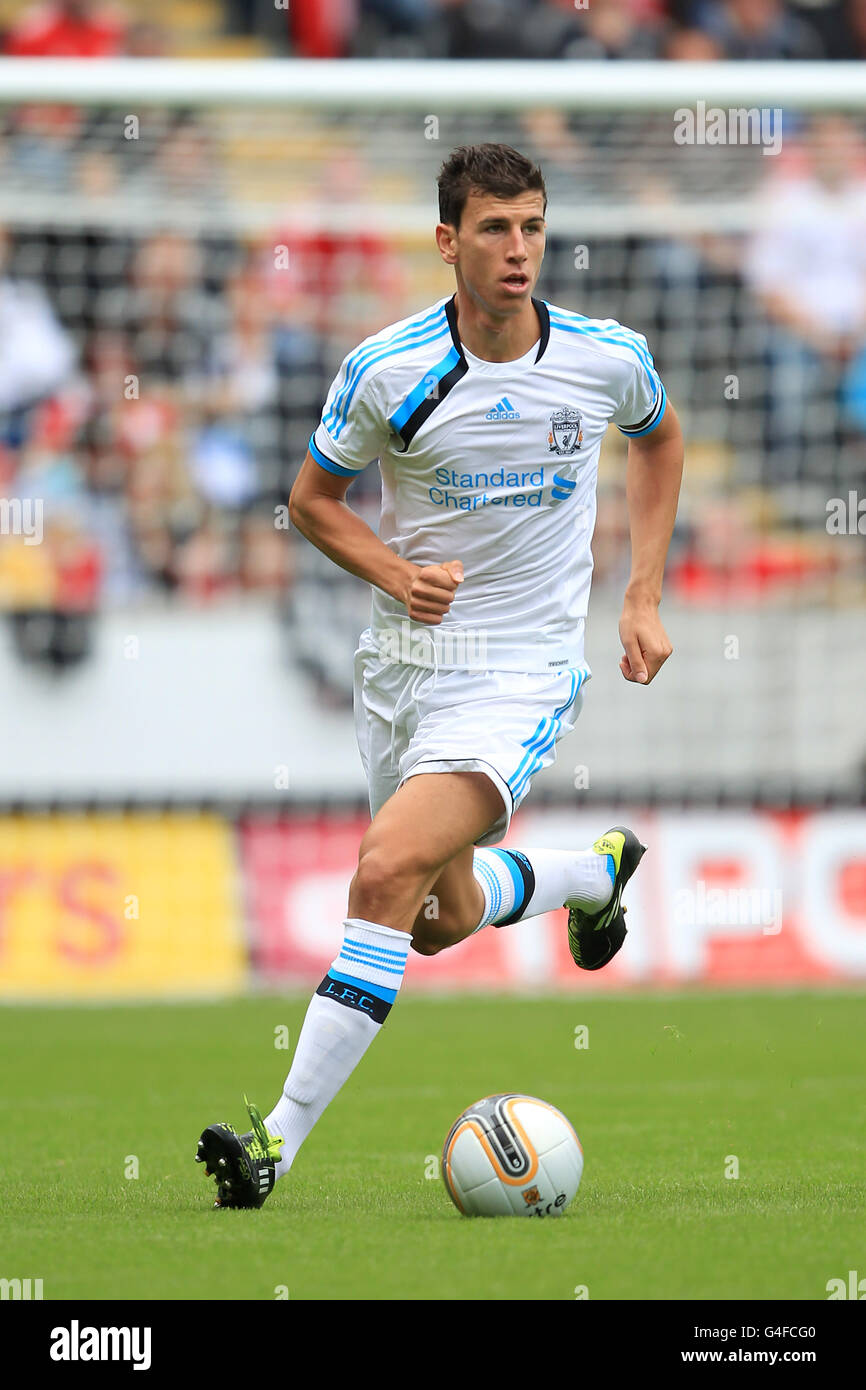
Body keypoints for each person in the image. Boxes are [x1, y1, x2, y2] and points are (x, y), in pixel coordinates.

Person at [195, 143, 684, 1208]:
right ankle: (588, 877)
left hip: (519, 670)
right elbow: (313, 500)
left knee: (379, 872)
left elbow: (657, 439)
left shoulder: (603, 357)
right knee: (434, 914)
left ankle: (271, 1142)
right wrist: (393, 571)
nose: (518, 250)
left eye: (531, 227)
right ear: (446, 240)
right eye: (495, 230)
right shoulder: (389, 368)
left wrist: (641, 593)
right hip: (403, 668)